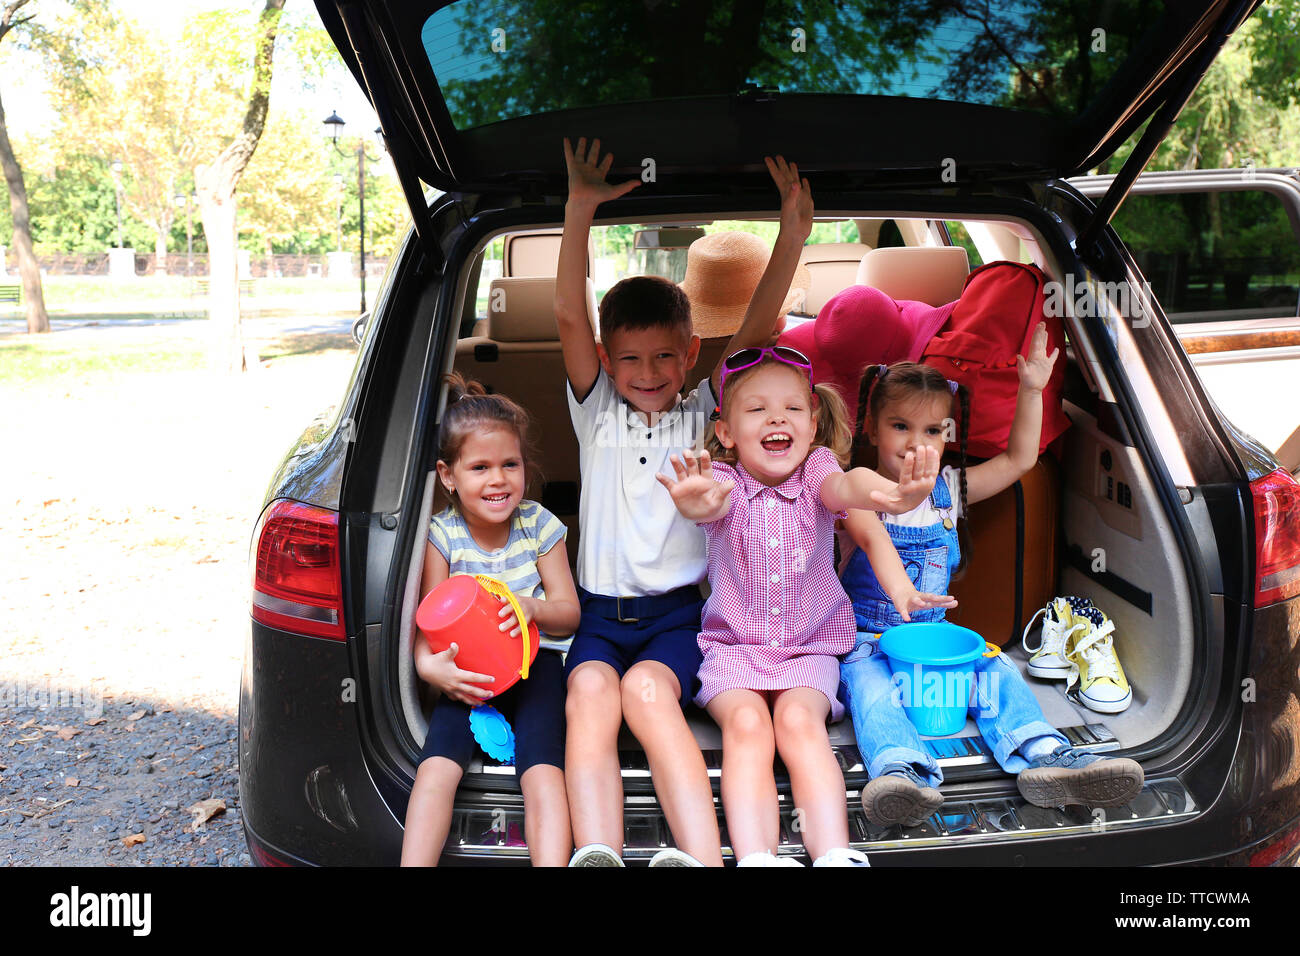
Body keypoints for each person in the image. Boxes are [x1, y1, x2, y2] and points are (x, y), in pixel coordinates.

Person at [554, 138, 812, 866]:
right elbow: (572, 316)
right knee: (591, 695)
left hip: (677, 617)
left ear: (691, 354)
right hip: (599, 615)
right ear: (607, 362)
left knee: (645, 692)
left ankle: (700, 857)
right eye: (630, 358)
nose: (648, 372)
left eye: (665, 356)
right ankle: (598, 851)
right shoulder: (594, 411)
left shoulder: (704, 413)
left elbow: (758, 329)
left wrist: (792, 234)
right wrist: (579, 209)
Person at [838, 328, 1144, 828]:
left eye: (933, 430)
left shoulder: (950, 491)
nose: (918, 443)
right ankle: (902, 776)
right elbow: (866, 540)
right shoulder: (854, 495)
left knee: (997, 670)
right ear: (871, 429)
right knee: (872, 692)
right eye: (900, 426)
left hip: (938, 647)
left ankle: (1045, 755)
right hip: (869, 643)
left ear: (948, 436)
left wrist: (1031, 390)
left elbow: (1020, 460)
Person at [656, 345, 942, 866]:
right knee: (746, 725)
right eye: (757, 409)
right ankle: (758, 857)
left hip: (809, 650)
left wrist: (896, 496)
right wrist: (693, 504)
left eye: (790, 409)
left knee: (798, 724)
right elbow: (706, 502)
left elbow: (849, 486)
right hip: (734, 650)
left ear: (812, 424)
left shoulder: (817, 474)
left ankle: (834, 852)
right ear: (726, 433)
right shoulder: (724, 482)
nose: (775, 419)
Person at [401, 373, 580, 867]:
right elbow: (427, 624)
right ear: (448, 475)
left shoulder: (540, 526)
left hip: (537, 666)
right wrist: (429, 668)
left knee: (543, 774)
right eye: (479, 467)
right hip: (468, 676)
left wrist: (532, 606)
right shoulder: (443, 535)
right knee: (435, 771)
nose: (498, 479)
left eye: (510, 464)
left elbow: (568, 615)